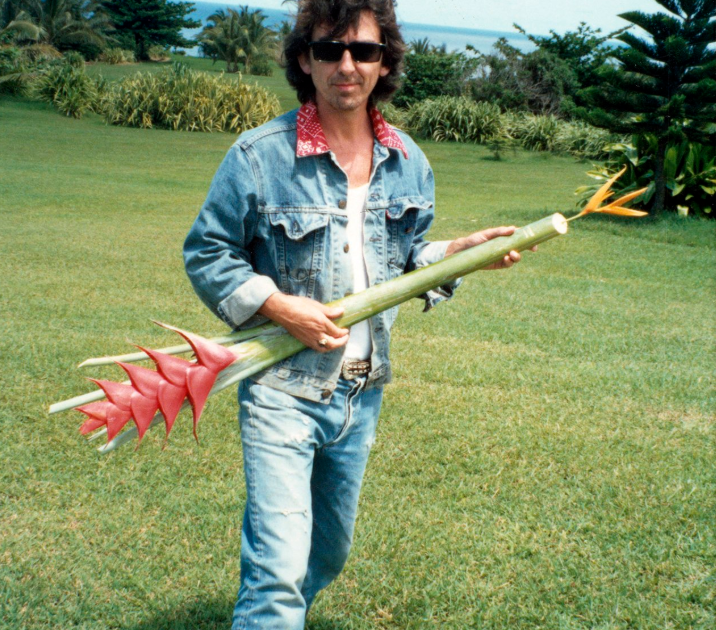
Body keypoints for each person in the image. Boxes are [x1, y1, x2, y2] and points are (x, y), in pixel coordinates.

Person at [183, 1, 530, 627]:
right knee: (279, 572)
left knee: (328, 554)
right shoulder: (260, 155)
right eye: (329, 49)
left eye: (364, 51)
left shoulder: (409, 161)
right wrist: (279, 307)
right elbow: (207, 253)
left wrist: (456, 254)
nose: (347, 64)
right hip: (281, 391)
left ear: (383, 62)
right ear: (304, 60)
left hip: (360, 391)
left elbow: (403, 259)